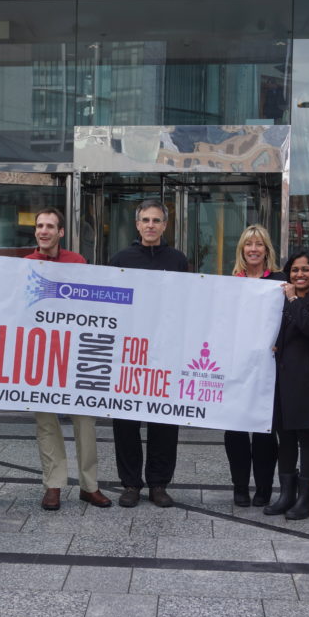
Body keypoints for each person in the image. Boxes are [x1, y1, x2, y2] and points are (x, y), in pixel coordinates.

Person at [25, 208, 111, 510]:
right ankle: (54, 485)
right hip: (41, 357)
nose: (43, 231)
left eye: (50, 226)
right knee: (46, 423)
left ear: (61, 232)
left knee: (85, 421)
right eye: (39, 226)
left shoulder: (78, 263)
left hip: (76, 355)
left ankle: (90, 486)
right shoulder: (25, 266)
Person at [108, 199, 189, 508]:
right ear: (137, 224)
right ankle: (130, 484)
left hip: (166, 352)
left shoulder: (178, 260)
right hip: (129, 353)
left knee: (164, 423)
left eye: (157, 220)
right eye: (146, 220)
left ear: (165, 225)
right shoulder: (120, 259)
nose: (151, 225)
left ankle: (158, 484)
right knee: (126, 423)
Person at [263, 249, 309, 520]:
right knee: (286, 438)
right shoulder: (278, 301)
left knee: (307, 439)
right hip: (281, 380)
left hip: (308, 382)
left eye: (305, 270)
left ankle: (306, 499)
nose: (299, 274)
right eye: (294, 270)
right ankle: (286, 494)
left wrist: (292, 298)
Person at [224, 224, 285, 507]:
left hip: (269, 367)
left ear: (267, 249)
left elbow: (289, 320)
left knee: (264, 430)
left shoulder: (280, 281)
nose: (253, 249)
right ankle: (239, 487)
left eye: (259, 244)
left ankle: (263, 487)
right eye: (249, 244)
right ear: (241, 250)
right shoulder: (229, 283)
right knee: (235, 428)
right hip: (236, 366)